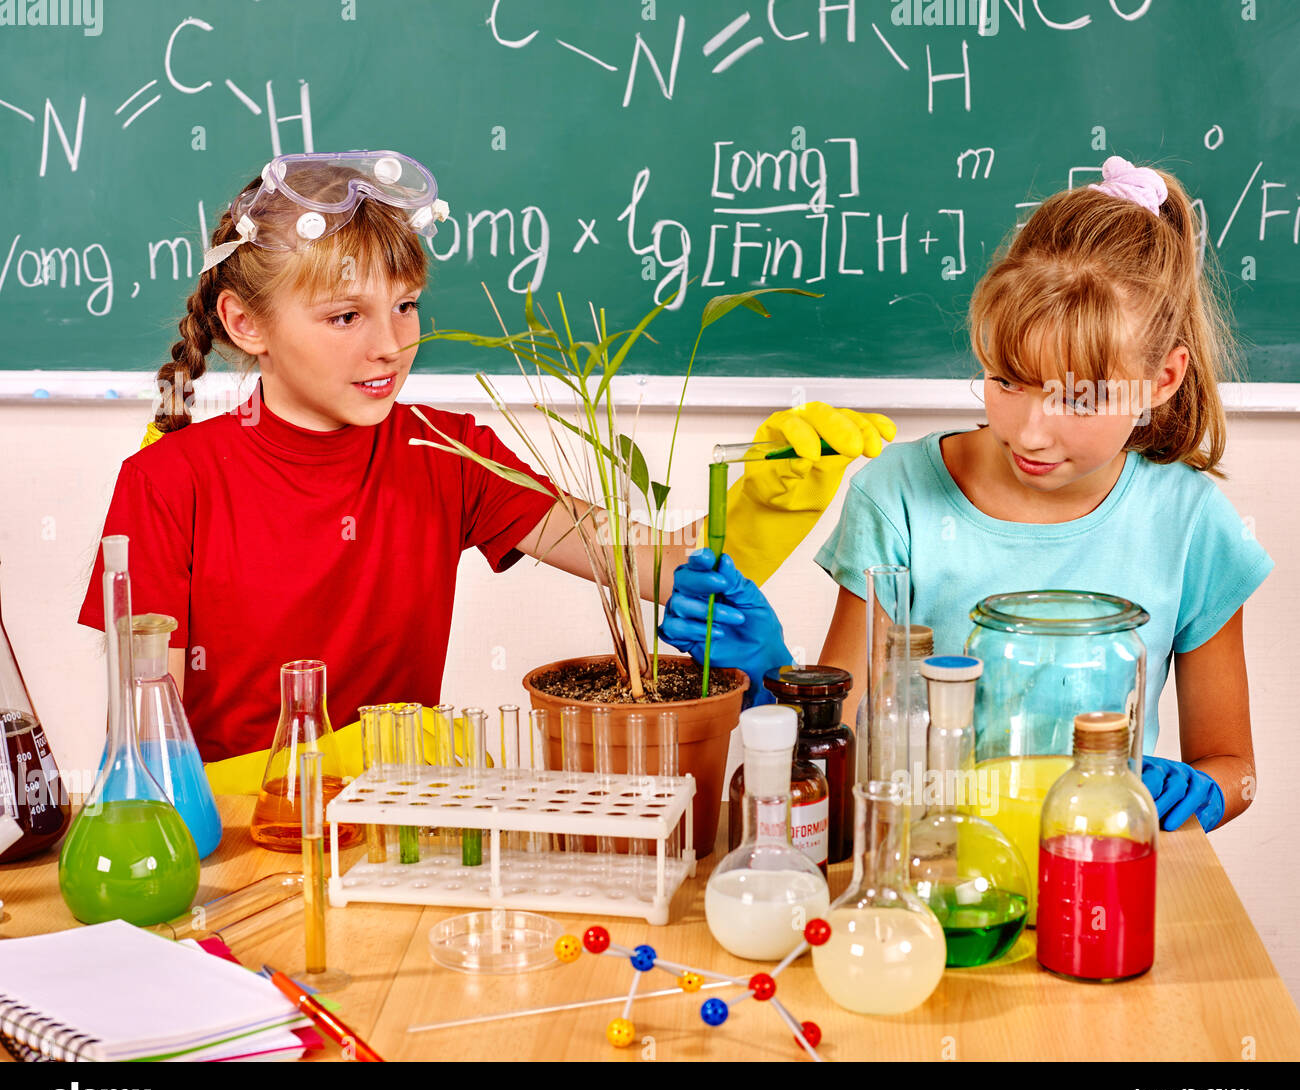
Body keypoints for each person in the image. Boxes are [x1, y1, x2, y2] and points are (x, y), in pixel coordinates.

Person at [77, 150, 891, 783]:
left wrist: (767, 499)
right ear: (244, 322)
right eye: (345, 316)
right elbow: (145, 747)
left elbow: (646, 562)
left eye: (406, 305)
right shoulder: (166, 483)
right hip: (239, 838)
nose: (390, 343)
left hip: (398, 818)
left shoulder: (446, 450)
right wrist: (292, 783)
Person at [662, 157, 1274, 832]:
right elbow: (844, 755)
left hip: (1094, 872)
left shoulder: (1191, 525)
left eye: (1078, 397)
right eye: (1007, 381)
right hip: (934, 874)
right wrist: (775, 680)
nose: (1032, 432)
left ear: (1162, 379)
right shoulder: (897, 497)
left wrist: (1205, 789)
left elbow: (1233, 766)